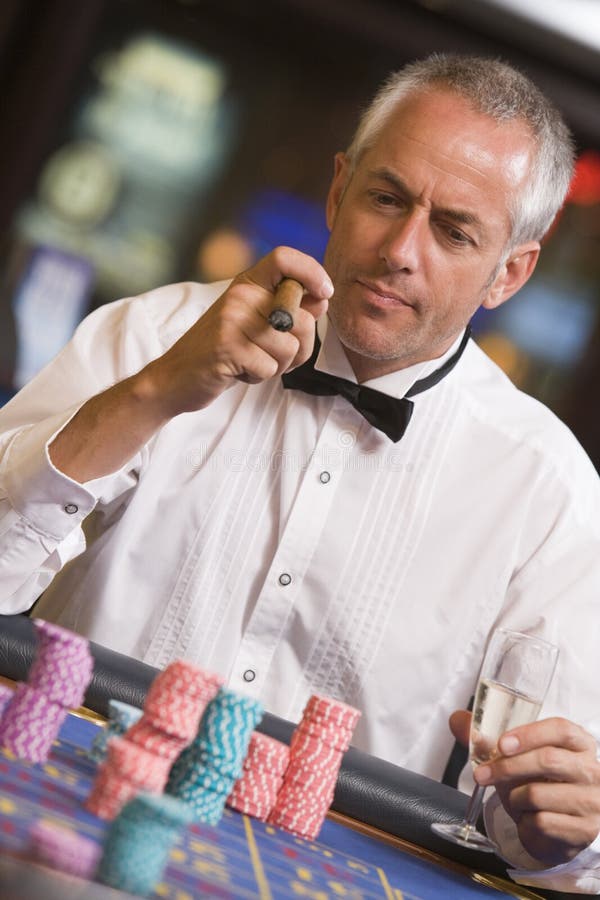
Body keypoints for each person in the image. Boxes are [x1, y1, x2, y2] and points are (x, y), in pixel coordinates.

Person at [1, 53, 600, 891]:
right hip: (49, 828)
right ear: (338, 190)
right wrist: (151, 395)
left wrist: (563, 827)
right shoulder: (152, 334)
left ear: (511, 271)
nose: (399, 250)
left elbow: (547, 849)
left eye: (453, 230)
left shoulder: (551, 494)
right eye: (387, 199)